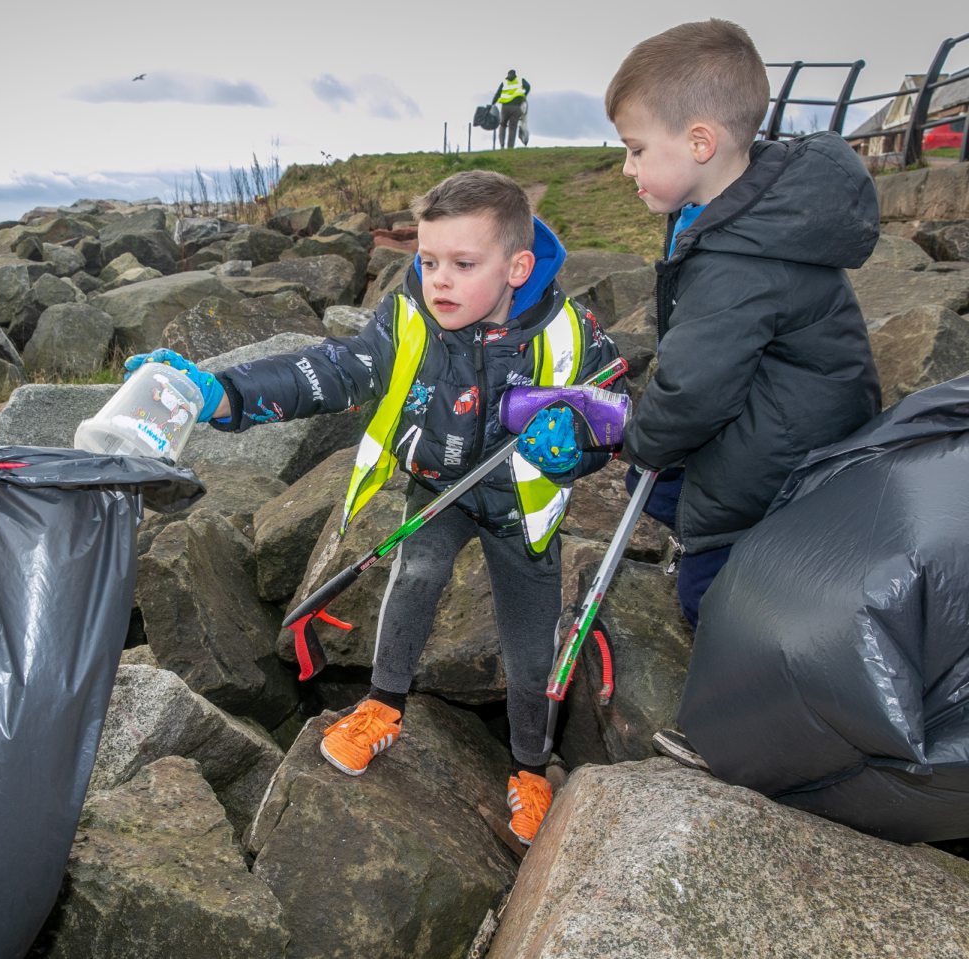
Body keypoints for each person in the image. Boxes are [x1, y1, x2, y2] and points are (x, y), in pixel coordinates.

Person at [127, 170, 622, 846]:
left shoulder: (572, 331)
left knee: (531, 644)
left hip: (521, 507)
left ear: (518, 266)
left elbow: (615, 412)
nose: (438, 279)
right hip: (438, 487)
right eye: (427, 260)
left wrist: (579, 446)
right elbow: (332, 368)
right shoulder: (409, 315)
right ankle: (382, 706)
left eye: (462, 264)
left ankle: (533, 767)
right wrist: (221, 394)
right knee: (414, 578)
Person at [603, 21, 880, 765]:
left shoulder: (737, 256)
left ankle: (757, 736)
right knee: (655, 478)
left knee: (709, 594)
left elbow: (694, 388)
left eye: (635, 149)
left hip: (787, 451)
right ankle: (682, 524)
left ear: (699, 143)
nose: (627, 169)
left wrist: (640, 434)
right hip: (794, 407)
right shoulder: (740, 208)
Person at [494, 70, 530, 149]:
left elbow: (498, 94)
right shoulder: (520, 81)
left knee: (502, 125)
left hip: (505, 107)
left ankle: (502, 144)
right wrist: (523, 95)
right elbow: (528, 87)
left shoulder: (505, 82)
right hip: (516, 107)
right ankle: (510, 147)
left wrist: (492, 103)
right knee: (513, 127)